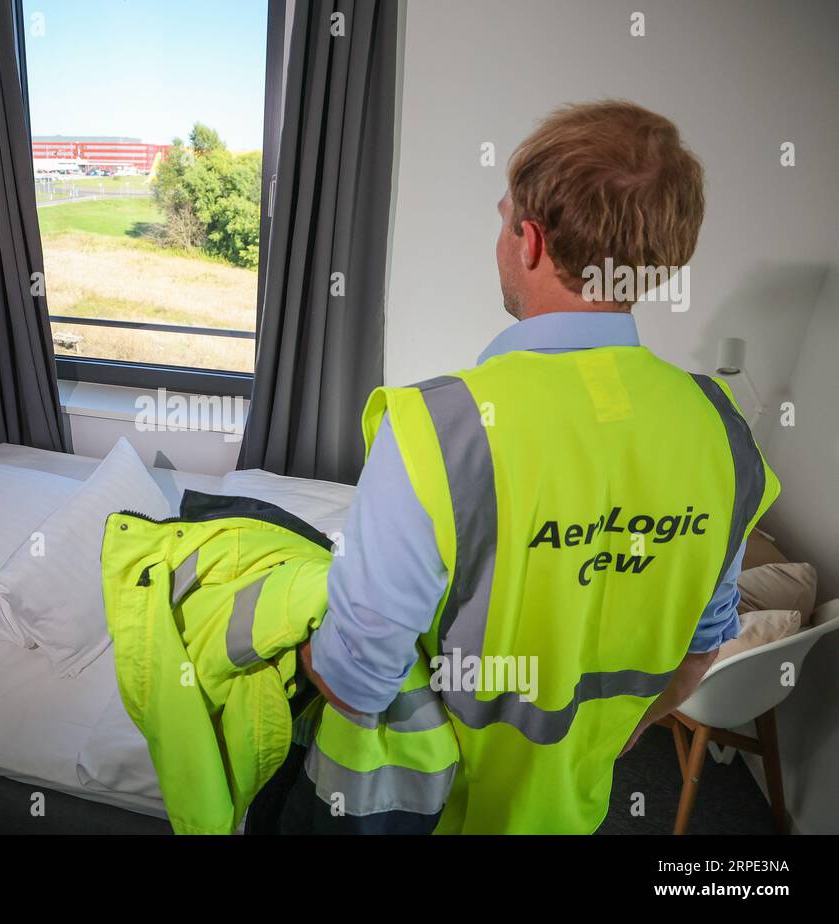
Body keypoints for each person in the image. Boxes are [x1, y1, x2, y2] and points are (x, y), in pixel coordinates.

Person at [293, 100, 780, 834]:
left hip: (426, 812)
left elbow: (352, 684)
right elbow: (696, 656)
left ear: (528, 240)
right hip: (576, 806)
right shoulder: (723, 431)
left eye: (502, 219)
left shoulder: (436, 427)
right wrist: (613, 735)